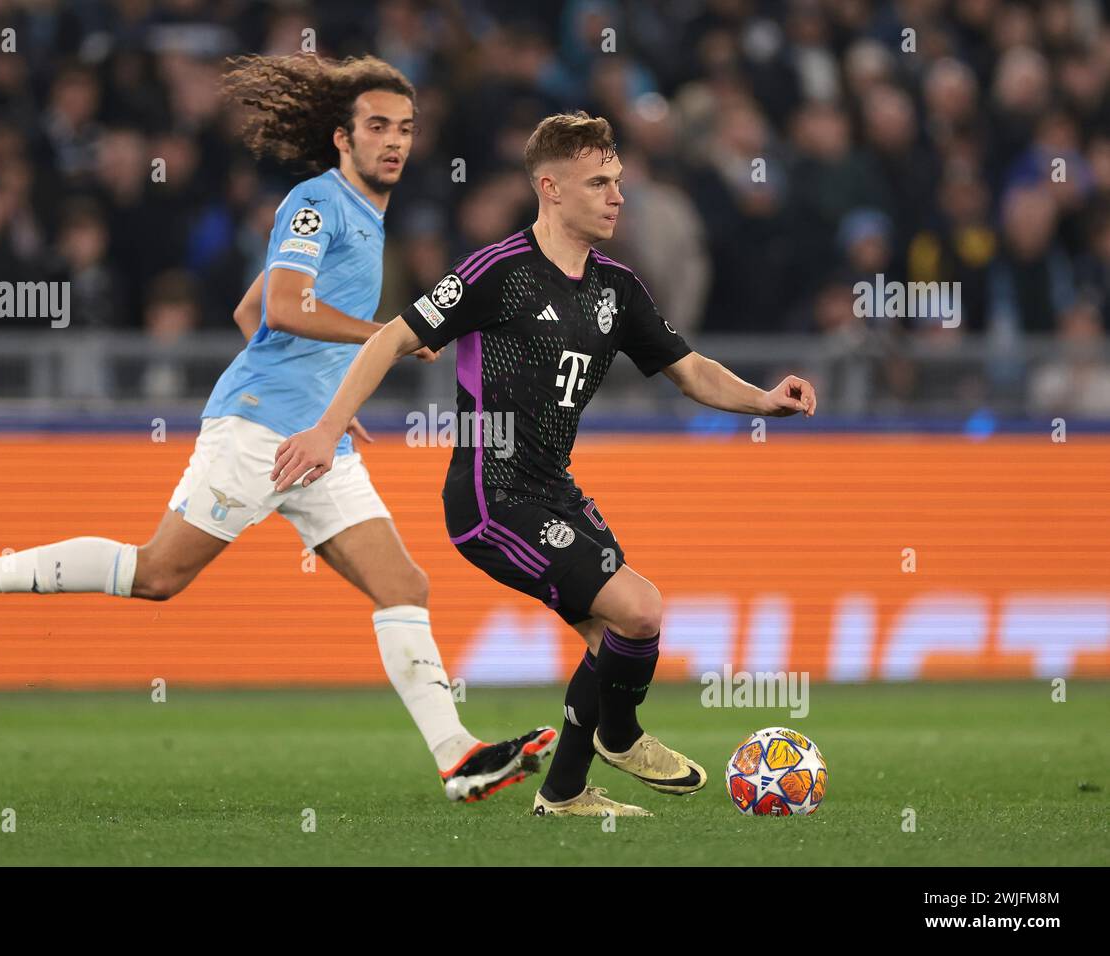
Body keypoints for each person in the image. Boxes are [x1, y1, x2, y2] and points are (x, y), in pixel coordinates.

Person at [0, 54, 555, 804]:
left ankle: (457, 758)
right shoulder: (317, 203)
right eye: (376, 127)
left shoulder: (367, 216)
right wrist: (384, 336)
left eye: (404, 128)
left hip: (316, 438)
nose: (394, 141)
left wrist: (332, 387)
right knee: (157, 574)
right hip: (261, 434)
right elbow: (283, 310)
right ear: (342, 137)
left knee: (403, 582)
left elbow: (249, 312)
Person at [273, 111, 818, 817]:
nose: (617, 196)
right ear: (552, 188)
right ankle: (619, 737)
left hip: (554, 490)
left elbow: (689, 370)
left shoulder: (617, 289)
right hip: (490, 496)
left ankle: (562, 793)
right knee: (639, 607)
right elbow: (390, 340)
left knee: (619, 638)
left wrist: (764, 401)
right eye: (600, 183)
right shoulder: (497, 272)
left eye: (618, 181)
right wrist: (327, 426)